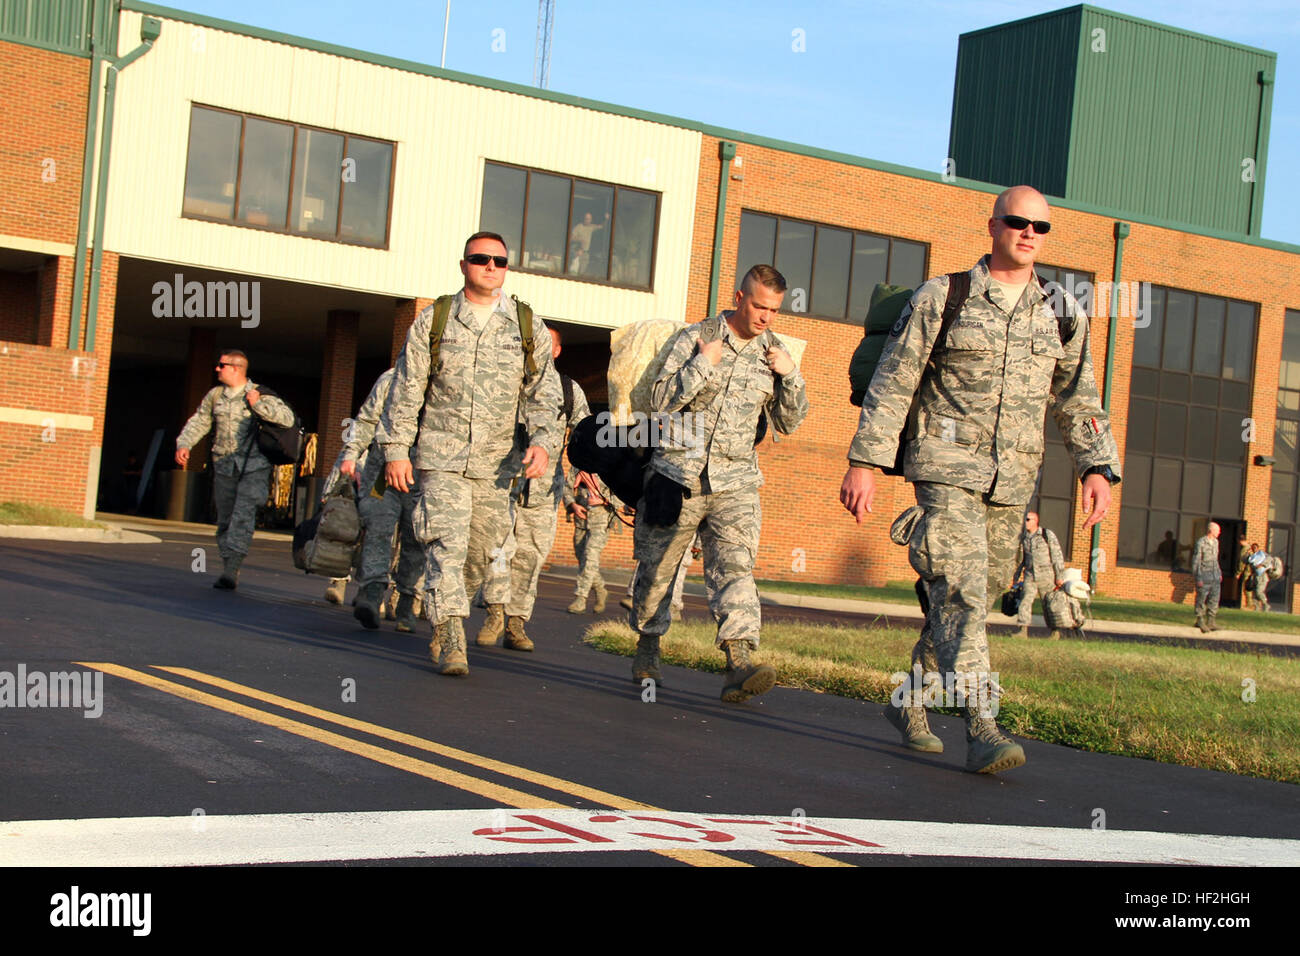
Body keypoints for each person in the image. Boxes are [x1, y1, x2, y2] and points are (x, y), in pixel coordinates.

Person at [839, 185, 1121, 774]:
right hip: (944, 471)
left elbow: (1077, 398)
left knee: (971, 599)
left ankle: (910, 699)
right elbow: (895, 380)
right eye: (1017, 222)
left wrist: (1096, 467)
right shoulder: (944, 297)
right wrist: (864, 462)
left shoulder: (1063, 312)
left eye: (1040, 227)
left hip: (1013, 483)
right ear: (992, 225)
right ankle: (983, 725)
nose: (1028, 234)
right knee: (962, 589)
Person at [378, 232, 562, 676]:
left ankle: (446, 613)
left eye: (499, 261)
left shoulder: (525, 325)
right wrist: (396, 450)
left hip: (498, 465)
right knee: (447, 545)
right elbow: (406, 390)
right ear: (464, 265)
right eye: (481, 259)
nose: (491, 267)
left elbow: (543, 392)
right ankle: (452, 633)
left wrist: (543, 442)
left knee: (481, 555)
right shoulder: (434, 320)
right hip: (441, 456)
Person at [629, 263, 809, 702]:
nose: (766, 317)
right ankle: (648, 642)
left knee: (735, 569)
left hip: (737, 482)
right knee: (657, 573)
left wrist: (790, 376)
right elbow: (658, 401)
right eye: (759, 306)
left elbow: (789, 422)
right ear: (739, 296)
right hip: (677, 476)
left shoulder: (775, 351)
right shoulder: (697, 337)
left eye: (774, 310)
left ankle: (739, 660)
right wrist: (701, 365)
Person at [475, 328, 590, 649]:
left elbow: (584, 436)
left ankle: (516, 622)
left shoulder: (569, 391)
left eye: (547, 344)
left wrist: (584, 473)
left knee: (530, 557)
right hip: (501, 486)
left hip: (543, 492)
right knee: (499, 551)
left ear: (556, 351)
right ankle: (495, 612)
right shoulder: (507, 383)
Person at [175, 350, 295, 589]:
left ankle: (231, 569)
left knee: (243, 515)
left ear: (235, 369)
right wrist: (185, 443)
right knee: (226, 520)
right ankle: (229, 561)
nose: (217, 369)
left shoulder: (259, 393)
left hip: (254, 467)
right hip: (224, 466)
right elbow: (200, 421)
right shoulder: (215, 396)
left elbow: (287, 419)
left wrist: (258, 405)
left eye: (221, 365)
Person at [342, 368, 426, 633]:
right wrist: (351, 453)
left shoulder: (451, 379)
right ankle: (371, 593)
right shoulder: (392, 378)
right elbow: (367, 418)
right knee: (378, 529)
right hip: (384, 472)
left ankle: (406, 604)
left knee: (415, 540)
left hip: (423, 475)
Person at [567, 469, 623, 614]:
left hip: (602, 518)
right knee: (582, 558)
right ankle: (600, 589)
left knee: (590, 557)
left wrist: (605, 500)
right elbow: (566, 486)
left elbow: (622, 490)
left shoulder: (610, 462)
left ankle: (581, 598)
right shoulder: (578, 465)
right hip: (581, 518)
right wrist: (572, 504)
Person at [1014, 511, 1065, 639]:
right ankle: (1022, 630)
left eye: (1028, 519)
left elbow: (1057, 556)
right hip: (1030, 574)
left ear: (1035, 520)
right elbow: (1020, 559)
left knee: (1049, 604)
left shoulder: (1046, 535)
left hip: (1046, 575)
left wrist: (1059, 576)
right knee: (1025, 600)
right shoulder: (1024, 538)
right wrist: (1016, 576)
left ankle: (1055, 631)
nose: (1025, 522)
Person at [1191, 521, 1222, 632]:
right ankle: (1200, 620)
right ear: (1211, 530)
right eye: (1217, 530)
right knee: (1201, 599)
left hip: (1214, 576)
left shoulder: (1216, 542)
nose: (1219, 532)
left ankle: (1211, 621)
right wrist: (1198, 578)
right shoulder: (1201, 542)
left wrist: (1219, 573)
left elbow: (1215, 560)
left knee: (1214, 599)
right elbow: (1196, 561)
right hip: (1204, 576)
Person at [1247, 543, 1271, 612]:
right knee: (1254, 594)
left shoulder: (1262, 554)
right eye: (1252, 548)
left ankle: (1266, 604)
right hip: (1255, 577)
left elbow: (1269, 559)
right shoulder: (1252, 557)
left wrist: (1261, 565)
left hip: (1262, 577)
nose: (1254, 549)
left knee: (1259, 592)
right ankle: (1257, 608)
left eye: (1255, 548)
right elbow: (1245, 561)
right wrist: (1247, 553)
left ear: (1258, 548)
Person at [1236, 536, 1254, 610]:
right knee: (1250, 587)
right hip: (1253, 571)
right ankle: (1250, 604)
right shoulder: (1251, 548)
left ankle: (1249, 605)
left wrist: (1238, 572)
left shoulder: (1244, 550)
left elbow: (1242, 562)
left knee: (1247, 587)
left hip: (1248, 571)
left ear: (1241, 541)